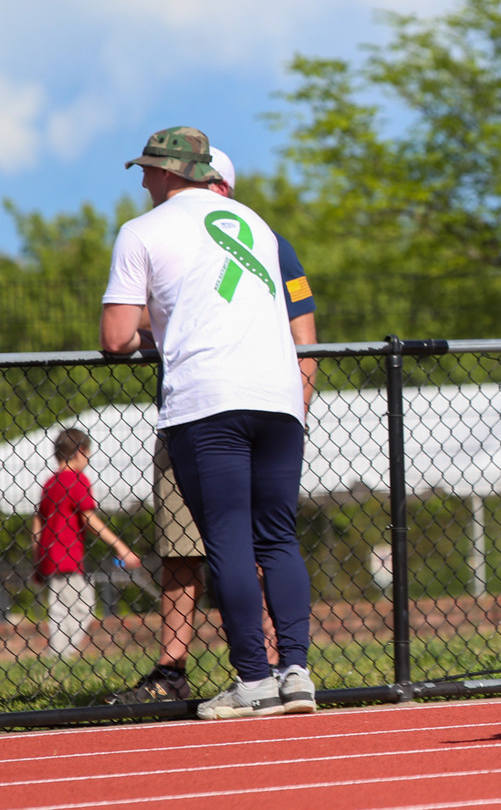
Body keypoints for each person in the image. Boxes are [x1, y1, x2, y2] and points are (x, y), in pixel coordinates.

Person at [100, 126, 315, 720]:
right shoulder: (255, 224)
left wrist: (161, 328)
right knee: (278, 538)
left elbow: (116, 336)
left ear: (172, 173)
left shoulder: (141, 231)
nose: (142, 179)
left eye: (147, 169)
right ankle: (296, 674)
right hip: (278, 398)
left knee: (227, 540)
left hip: (208, 399)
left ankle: (253, 682)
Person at [31, 428, 141, 660]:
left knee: (63, 608)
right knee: (80, 607)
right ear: (81, 451)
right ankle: (61, 655)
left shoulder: (50, 483)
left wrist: (37, 559)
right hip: (66, 556)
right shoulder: (76, 479)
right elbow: (88, 518)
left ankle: (60, 655)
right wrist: (121, 546)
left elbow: (37, 523)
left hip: (49, 556)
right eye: (88, 454)